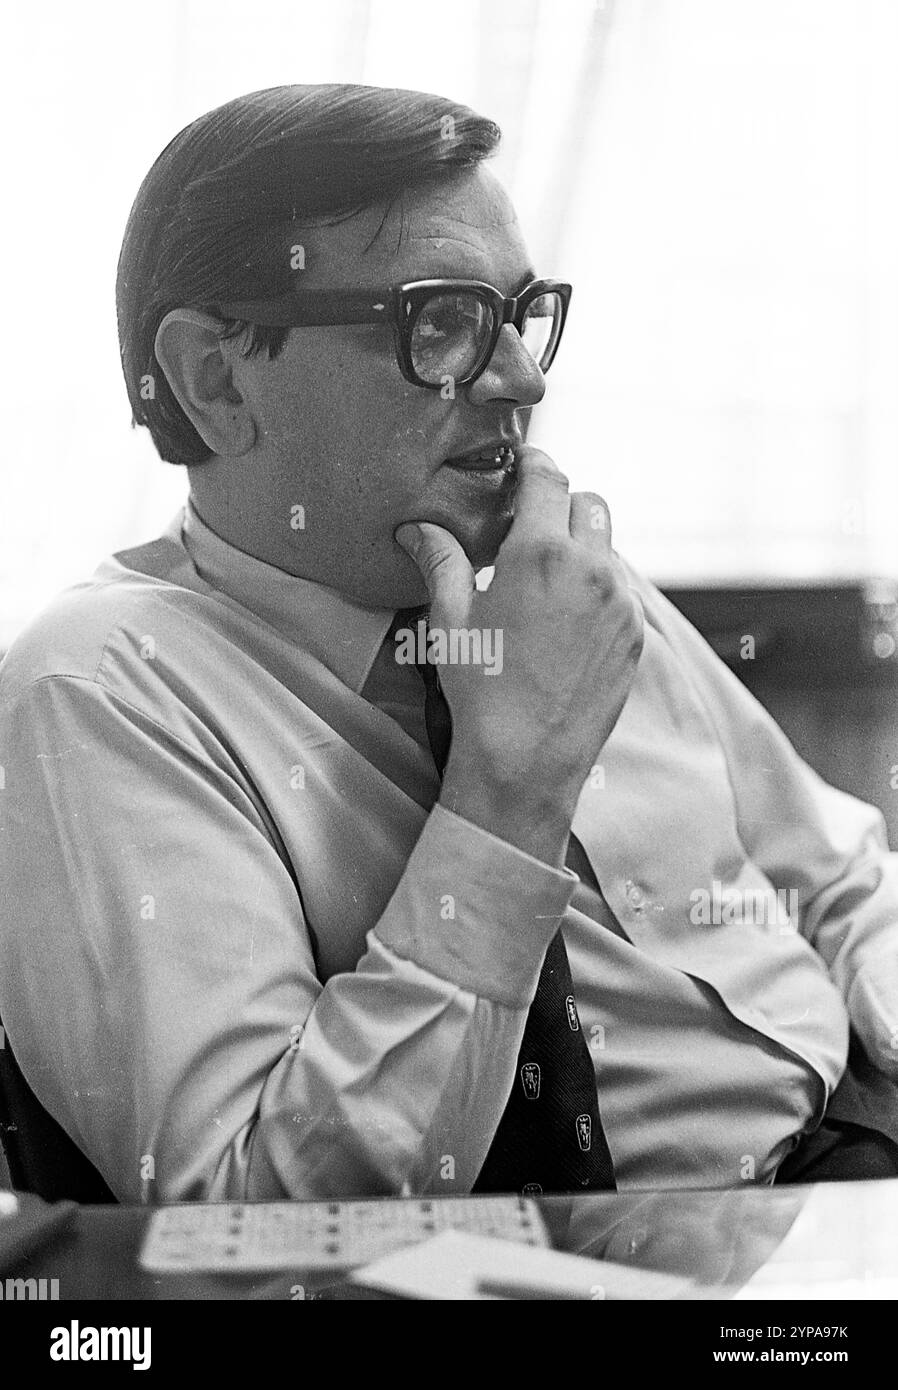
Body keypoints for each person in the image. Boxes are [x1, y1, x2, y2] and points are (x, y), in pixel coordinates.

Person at [1, 84, 896, 1203]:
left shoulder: (553, 577)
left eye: (519, 314)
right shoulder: (98, 688)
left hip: (857, 1150)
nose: (523, 377)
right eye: (439, 321)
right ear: (217, 380)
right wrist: (508, 792)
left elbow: (840, 873)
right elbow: (259, 1217)